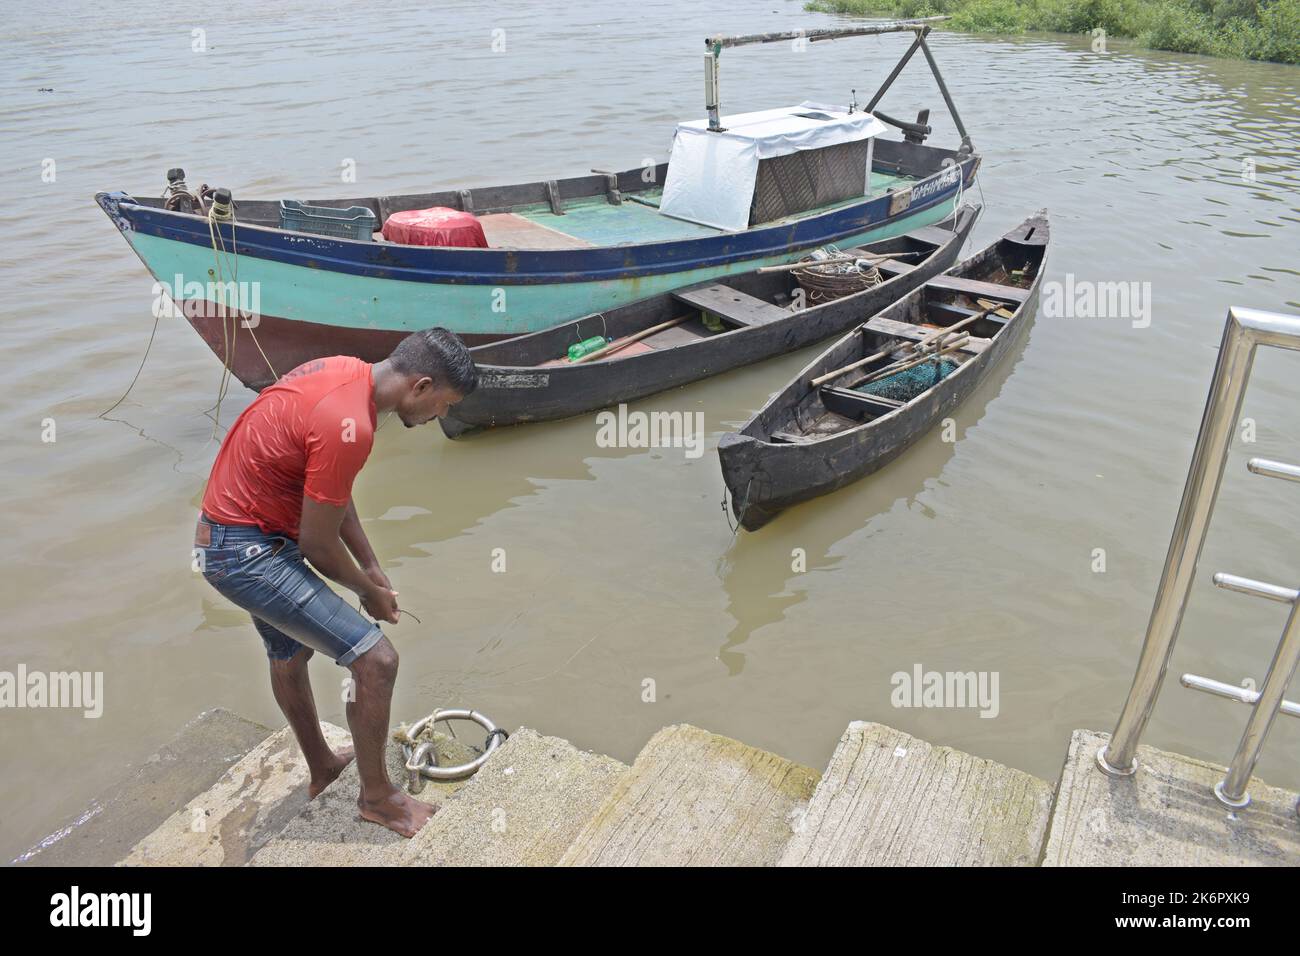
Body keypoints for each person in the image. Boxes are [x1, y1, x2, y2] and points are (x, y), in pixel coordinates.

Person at [193, 328, 476, 837]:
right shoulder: (351, 423)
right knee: (376, 660)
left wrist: (370, 567)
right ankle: (379, 799)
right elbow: (318, 546)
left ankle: (323, 767)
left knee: (289, 652)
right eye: (443, 405)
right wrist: (367, 594)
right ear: (422, 385)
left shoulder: (345, 373)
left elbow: (329, 489)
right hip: (247, 552)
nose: (441, 417)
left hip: (232, 534)